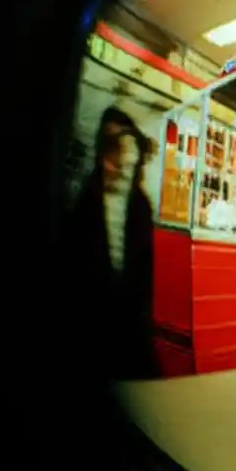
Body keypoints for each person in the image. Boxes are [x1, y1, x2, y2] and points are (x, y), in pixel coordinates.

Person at [67, 106, 157, 380]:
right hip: (89, 333)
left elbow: (144, 280)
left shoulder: (140, 207)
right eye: (110, 148)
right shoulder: (84, 201)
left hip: (131, 333)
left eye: (124, 149)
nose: (117, 161)